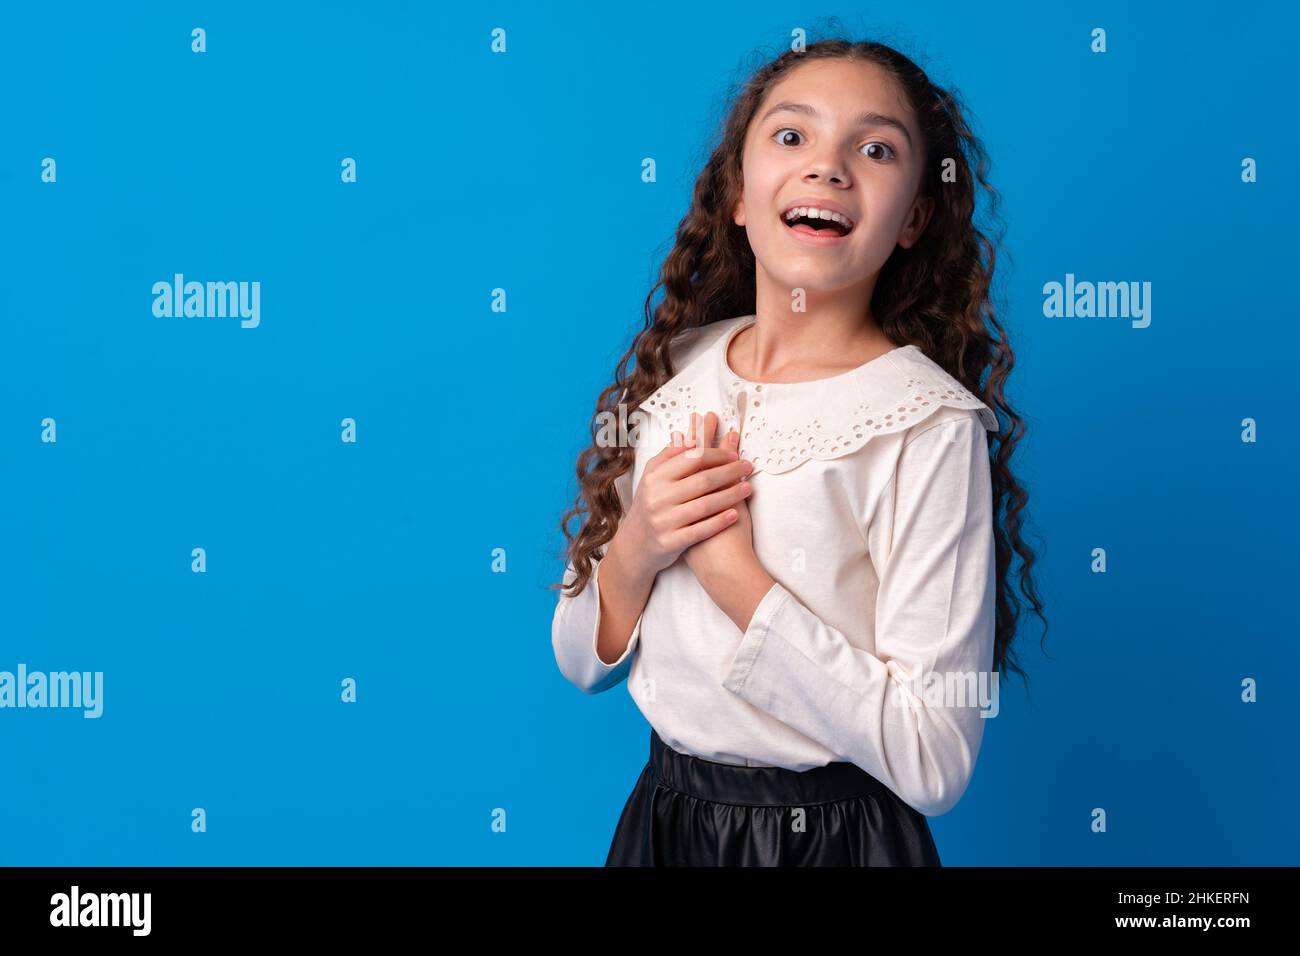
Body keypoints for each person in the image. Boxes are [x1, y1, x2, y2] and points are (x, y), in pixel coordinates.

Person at [550, 37, 1046, 866]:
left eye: (876, 149)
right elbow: (579, 663)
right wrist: (636, 548)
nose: (829, 168)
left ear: (916, 216)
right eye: (792, 136)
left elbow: (935, 759)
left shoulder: (925, 425)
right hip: (666, 827)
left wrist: (737, 581)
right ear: (739, 195)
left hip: (837, 842)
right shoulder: (679, 373)